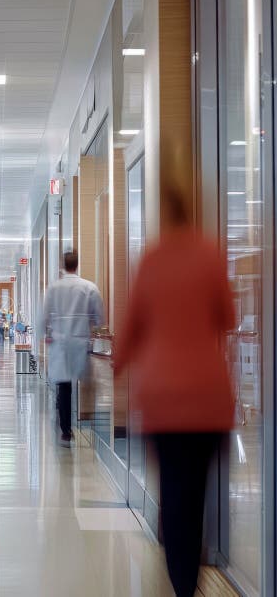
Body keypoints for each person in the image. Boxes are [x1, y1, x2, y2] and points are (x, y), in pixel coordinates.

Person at [114, 192, 235, 597]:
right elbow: (228, 317)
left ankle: (181, 580)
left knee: (173, 495)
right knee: (195, 493)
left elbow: (131, 330)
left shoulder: (152, 260)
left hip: (163, 400)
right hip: (207, 399)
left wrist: (117, 369)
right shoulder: (211, 256)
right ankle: (191, 579)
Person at [42, 251, 104, 447]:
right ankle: (91, 424)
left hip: (60, 345)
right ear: (77, 265)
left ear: (63, 265)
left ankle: (66, 431)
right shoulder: (89, 287)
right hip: (80, 342)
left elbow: (43, 316)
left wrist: (44, 336)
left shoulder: (54, 288)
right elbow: (100, 318)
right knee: (85, 383)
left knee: (64, 387)